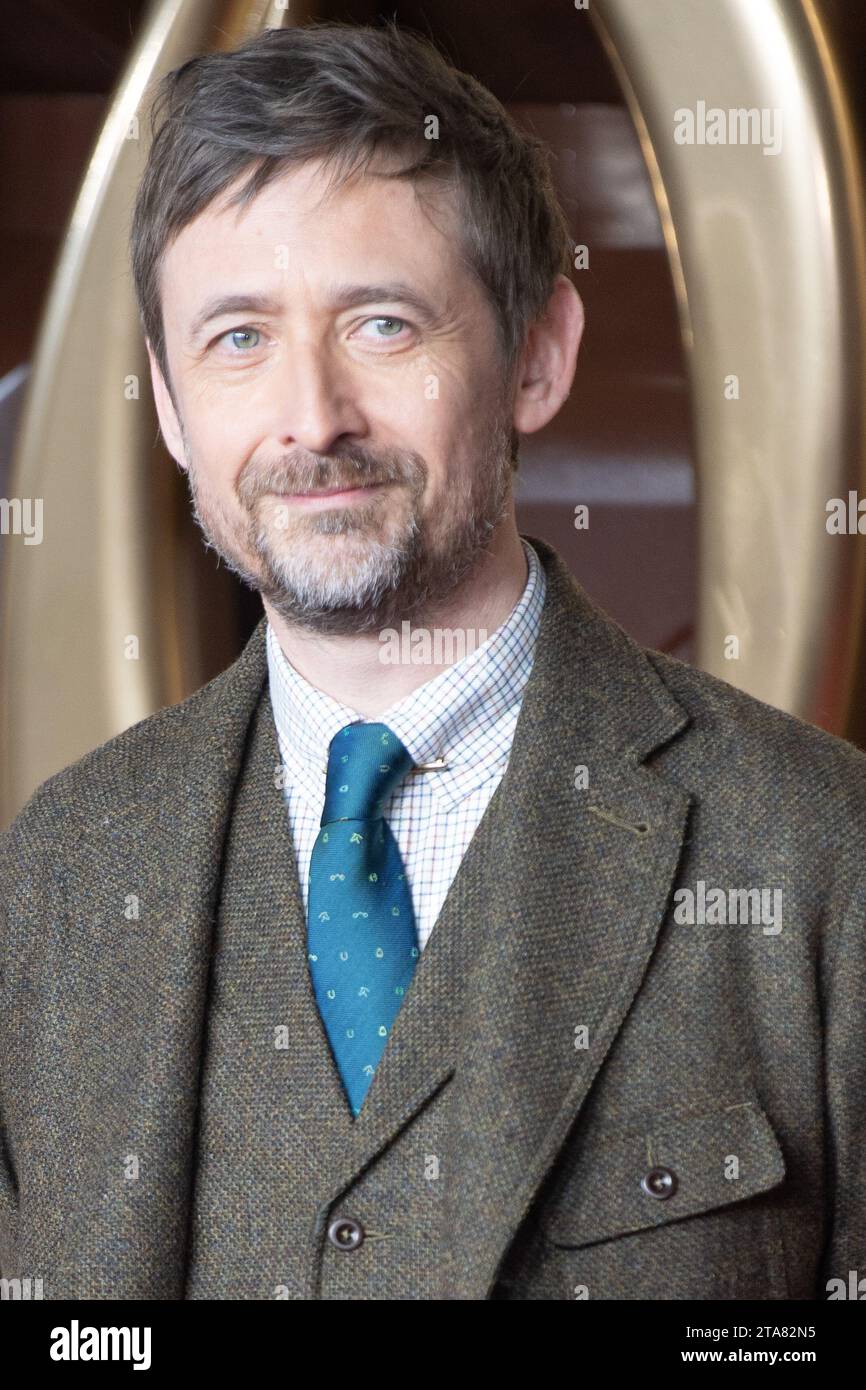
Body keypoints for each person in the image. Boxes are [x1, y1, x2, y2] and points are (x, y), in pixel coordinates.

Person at [1, 20, 864, 1302]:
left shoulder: (819, 851)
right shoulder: (61, 869)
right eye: (237, 337)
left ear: (535, 355)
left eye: (382, 324)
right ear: (170, 408)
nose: (311, 417)